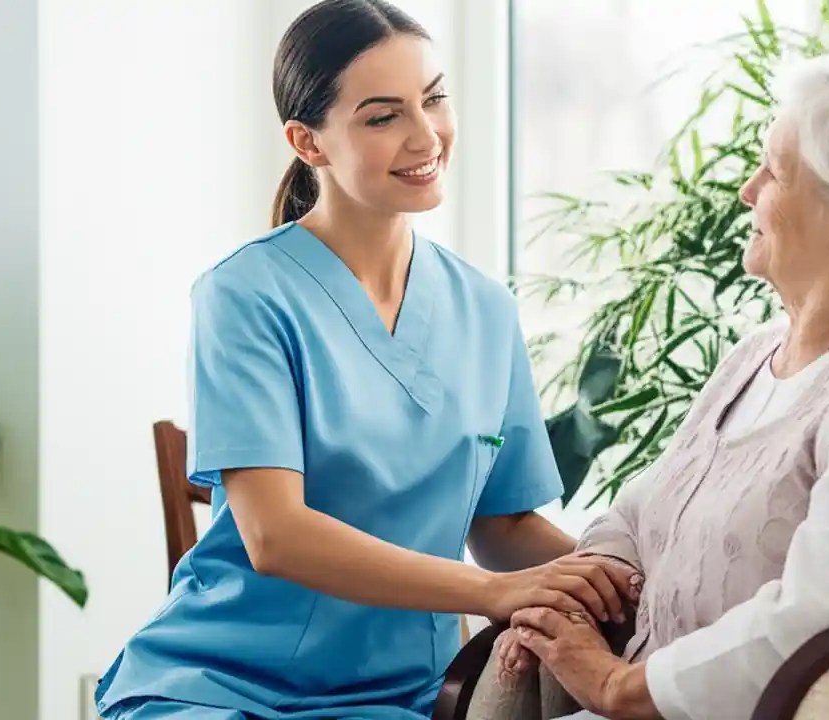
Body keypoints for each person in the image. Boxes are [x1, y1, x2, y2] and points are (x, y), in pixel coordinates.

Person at [93, 2, 640, 718]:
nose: (426, 135)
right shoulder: (245, 296)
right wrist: (487, 592)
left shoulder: (483, 307)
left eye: (435, 99)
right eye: (383, 116)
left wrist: (622, 582)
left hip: (405, 696)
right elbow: (273, 535)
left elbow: (501, 528)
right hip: (219, 686)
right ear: (307, 141)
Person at [496, 52, 829, 719]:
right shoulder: (755, 356)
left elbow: (816, 622)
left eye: (774, 169)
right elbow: (637, 515)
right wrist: (584, 594)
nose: (747, 190)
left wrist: (616, 685)